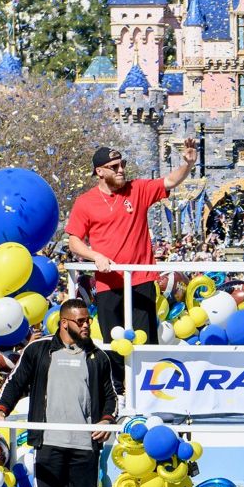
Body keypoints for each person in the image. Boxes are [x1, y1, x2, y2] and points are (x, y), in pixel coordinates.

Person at [0, 298, 119, 487]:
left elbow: (110, 396)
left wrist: (106, 420)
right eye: (81, 321)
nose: (87, 325)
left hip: (84, 442)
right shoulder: (39, 349)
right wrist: (1, 409)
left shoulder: (98, 356)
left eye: (89, 320)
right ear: (64, 323)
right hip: (49, 440)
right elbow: (15, 382)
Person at [66, 141, 197, 343]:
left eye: (122, 164)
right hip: (108, 284)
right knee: (114, 346)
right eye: (114, 167)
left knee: (145, 343)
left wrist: (187, 164)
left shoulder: (138, 189)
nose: (121, 170)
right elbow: (74, 242)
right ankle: (118, 377)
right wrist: (95, 256)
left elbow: (169, 182)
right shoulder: (85, 202)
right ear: (99, 171)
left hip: (141, 281)